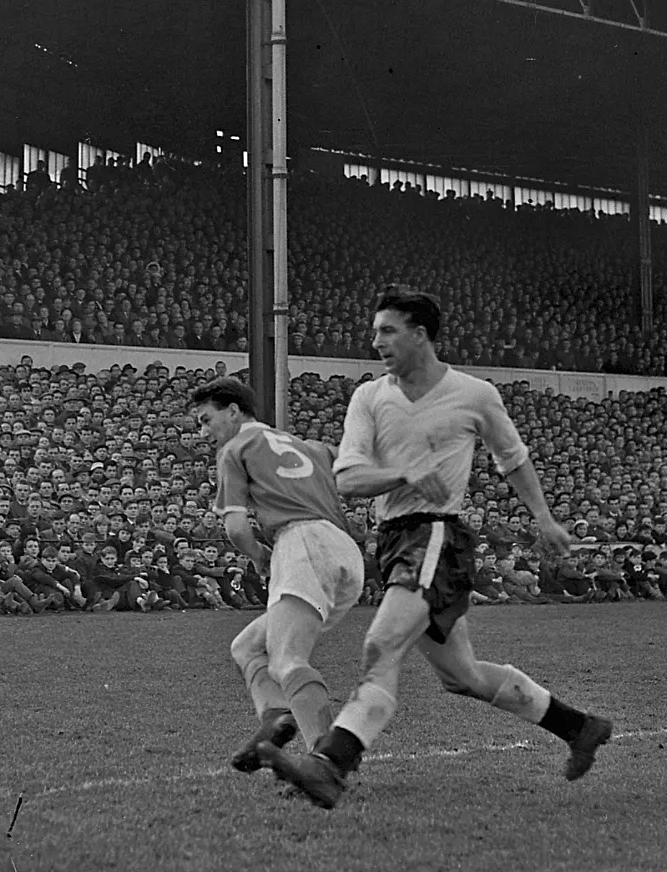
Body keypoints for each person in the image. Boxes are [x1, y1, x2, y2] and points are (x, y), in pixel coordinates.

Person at [263, 286, 613, 809]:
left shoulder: (474, 394)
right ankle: (579, 727)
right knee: (462, 677)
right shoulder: (370, 397)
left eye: (387, 330)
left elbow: (512, 458)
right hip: (395, 539)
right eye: (375, 330)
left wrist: (543, 517)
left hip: (437, 536)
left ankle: (330, 764)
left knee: (381, 647)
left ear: (420, 334)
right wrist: (403, 471)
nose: (375, 340)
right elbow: (348, 477)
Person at [191, 377, 365, 777]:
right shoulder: (310, 447)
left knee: (287, 659)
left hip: (300, 542)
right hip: (343, 549)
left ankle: (327, 762)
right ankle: (277, 718)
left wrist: (258, 556)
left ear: (234, 411)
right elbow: (356, 473)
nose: (204, 433)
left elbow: (236, 527)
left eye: (206, 420)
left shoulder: (235, 449)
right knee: (248, 647)